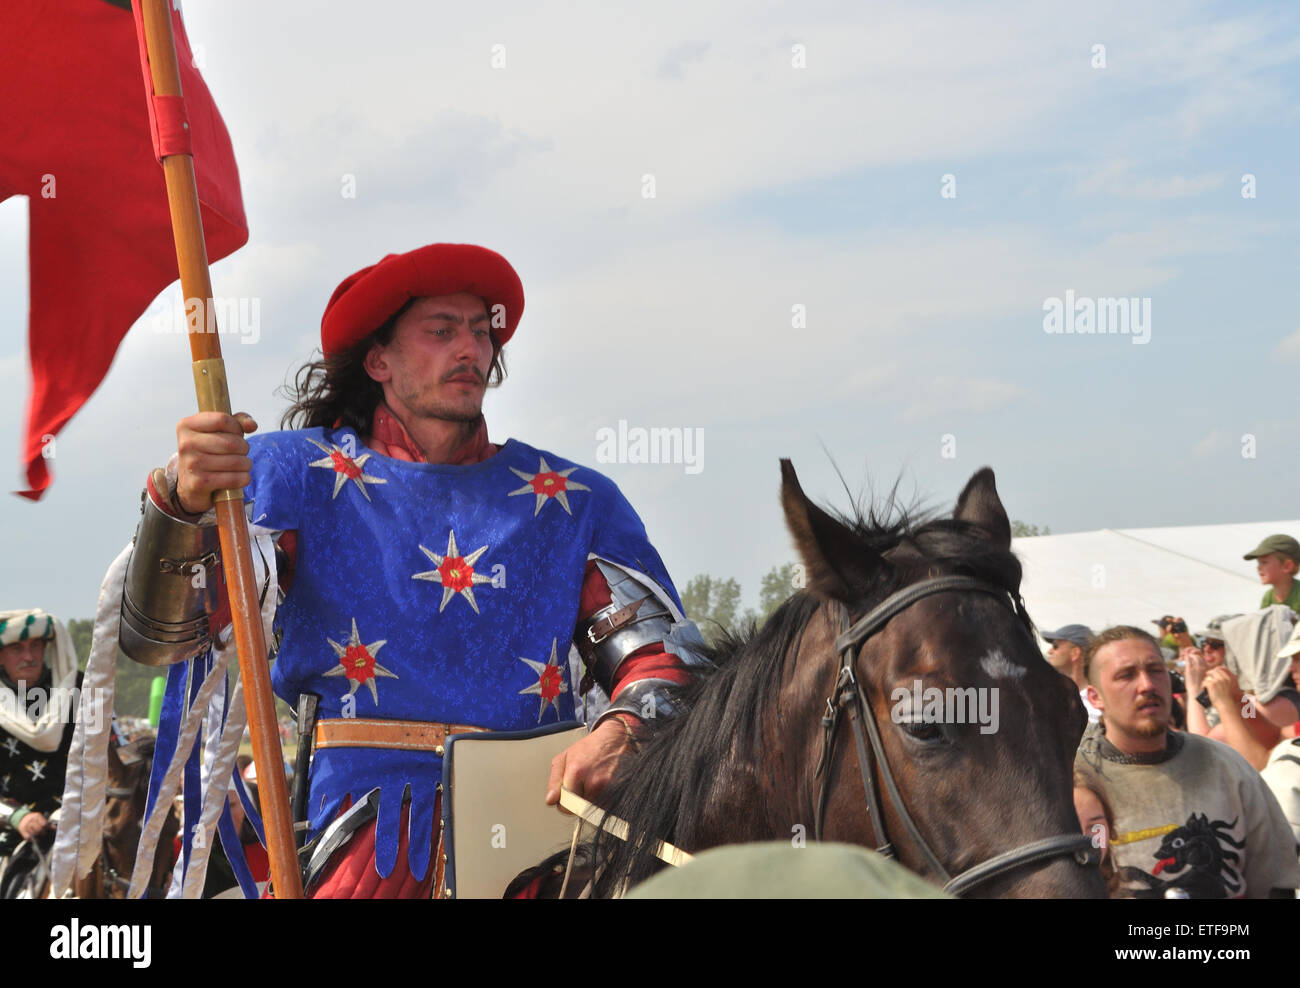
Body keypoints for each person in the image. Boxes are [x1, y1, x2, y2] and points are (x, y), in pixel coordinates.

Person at [116, 243, 707, 898]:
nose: (472, 350)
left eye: (482, 332)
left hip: (542, 844)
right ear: (379, 361)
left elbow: (666, 661)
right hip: (366, 848)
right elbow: (166, 634)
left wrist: (623, 729)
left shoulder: (572, 499)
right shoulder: (293, 475)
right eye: (442, 330)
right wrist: (181, 499)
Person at [1075, 625, 1300, 898]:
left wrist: (1234, 698)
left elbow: (1275, 884)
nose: (1147, 685)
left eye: (1156, 670)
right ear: (1095, 697)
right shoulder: (1074, 780)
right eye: (1126, 675)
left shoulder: (1234, 753)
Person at [0, 611, 81, 867]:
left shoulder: (80, 691)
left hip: (83, 825)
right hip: (12, 833)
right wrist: (18, 817)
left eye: (35, 646)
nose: (29, 656)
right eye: (17, 648)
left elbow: (117, 756)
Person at [1041, 624, 1098, 723]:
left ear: (1075, 653)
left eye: (1055, 646)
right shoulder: (1051, 694)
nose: (1049, 651)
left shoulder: (1098, 701)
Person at [1244, 535, 1300, 614]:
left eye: (1264, 562)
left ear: (1287, 566)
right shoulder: (1268, 597)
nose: (1258, 567)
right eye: (1259, 563)